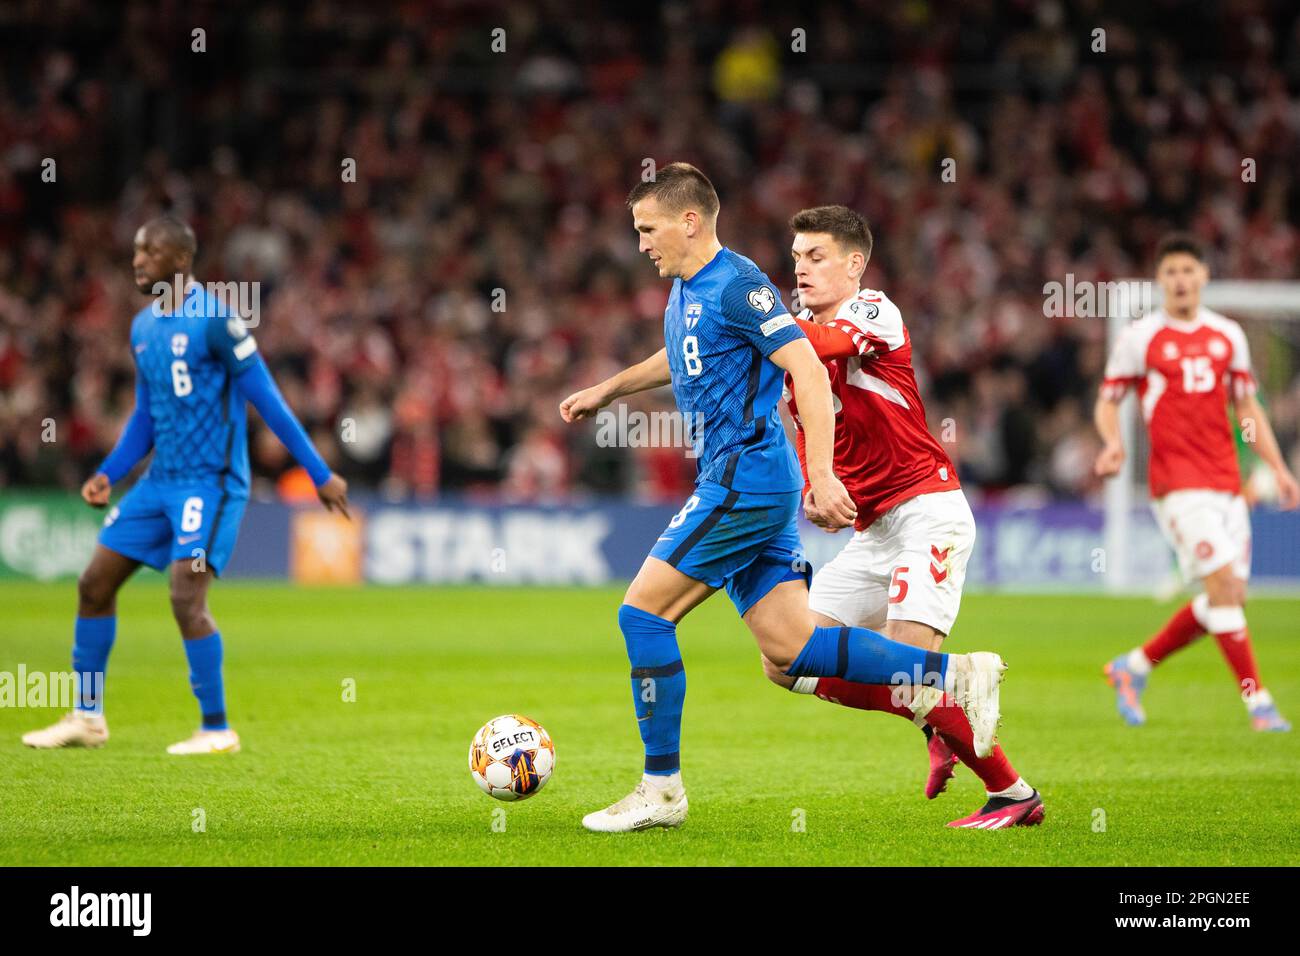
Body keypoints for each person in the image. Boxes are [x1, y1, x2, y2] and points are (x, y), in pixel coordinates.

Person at [559, 165, 1006, 832]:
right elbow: (684, 358)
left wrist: (823, 476)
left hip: (745, 478)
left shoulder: (739, 284)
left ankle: (662, 789)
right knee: (790, 650)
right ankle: (953, 688)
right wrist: (610, 388)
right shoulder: (687, 292)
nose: (641, 243)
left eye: (647, 229)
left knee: (643, 616)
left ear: (688, 221)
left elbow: (804, 367)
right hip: (745, 477)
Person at [22, 216, 349, 754]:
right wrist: (108, 471)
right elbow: (146, 418)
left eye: (149, 251)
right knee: (94, 585)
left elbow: (267, 399)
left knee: (184, 597)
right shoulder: (143, 328)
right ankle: (86, 717)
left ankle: (217, 728)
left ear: (180, 259)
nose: (137, 260)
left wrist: (319, 473)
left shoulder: (217, 321)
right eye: (135, 250)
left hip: (211, 484)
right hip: (158, 483)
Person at [765, 205, 1042, 828]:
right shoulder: (794, 330)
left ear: (854, 264)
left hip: (927, 512)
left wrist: (760, 328)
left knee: (910, 663)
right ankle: (939, 716)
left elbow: (824, 348)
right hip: (871, 529)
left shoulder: (874, 312)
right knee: (785, 659)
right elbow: (807, 420)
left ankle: (1013, 793)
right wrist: (815, 486)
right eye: (796, 259)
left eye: (816, 257)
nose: (801, 269)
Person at [1097, 233, 1298, 732]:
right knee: (1225, 587)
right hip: (1178, 485)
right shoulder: (1140, 337)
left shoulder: (1228, 335)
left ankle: (1134, 666)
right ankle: (1259, 703)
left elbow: (1247, 408)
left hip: (1227, 483)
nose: (1181, 280)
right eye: (1171, 273)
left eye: (1189, 271)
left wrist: (1277, 467)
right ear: (1160, 280)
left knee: (1225, 598)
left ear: (1204, 276)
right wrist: (1112, 443)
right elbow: (1108, 400)